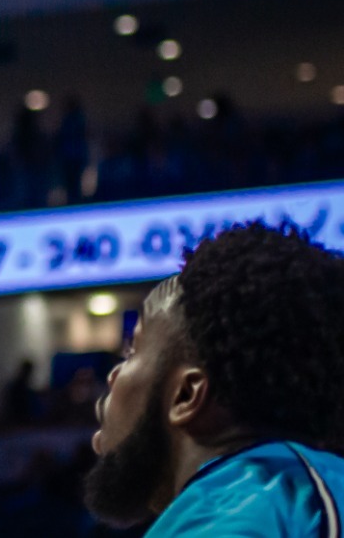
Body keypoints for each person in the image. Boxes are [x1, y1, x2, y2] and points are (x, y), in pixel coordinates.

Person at [85, 221, 344, 536]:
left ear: (186, 395)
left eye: (132, 351)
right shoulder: (317, 490)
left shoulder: (231, 516)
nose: (113, 374)